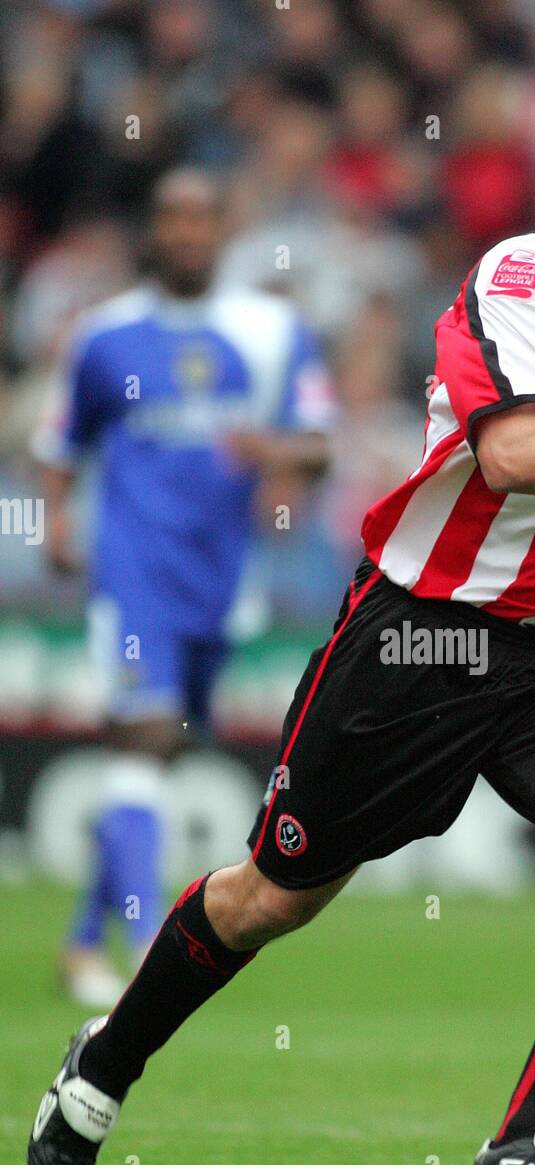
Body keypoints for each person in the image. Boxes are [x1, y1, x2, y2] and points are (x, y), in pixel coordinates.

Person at [29, 88, 535, 1165]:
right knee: (271, 897)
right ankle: (102, 1064)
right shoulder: (518, 284)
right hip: (427, 636)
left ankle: (521, 1140)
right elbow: (514, 453)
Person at [33, 168, 337, 1008]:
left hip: (221, 581)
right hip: (131, 576)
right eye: (173, 216)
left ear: (223, 228)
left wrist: (269, 451)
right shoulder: (103, 335)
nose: (188, 231)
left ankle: (84, 941)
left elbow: (318, 445)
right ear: (153, 231)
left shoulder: (269, 330)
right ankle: (139, 950)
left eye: (203, 217)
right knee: (142, 738)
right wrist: (56, 522)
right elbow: (60, 444)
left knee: (164, 747)